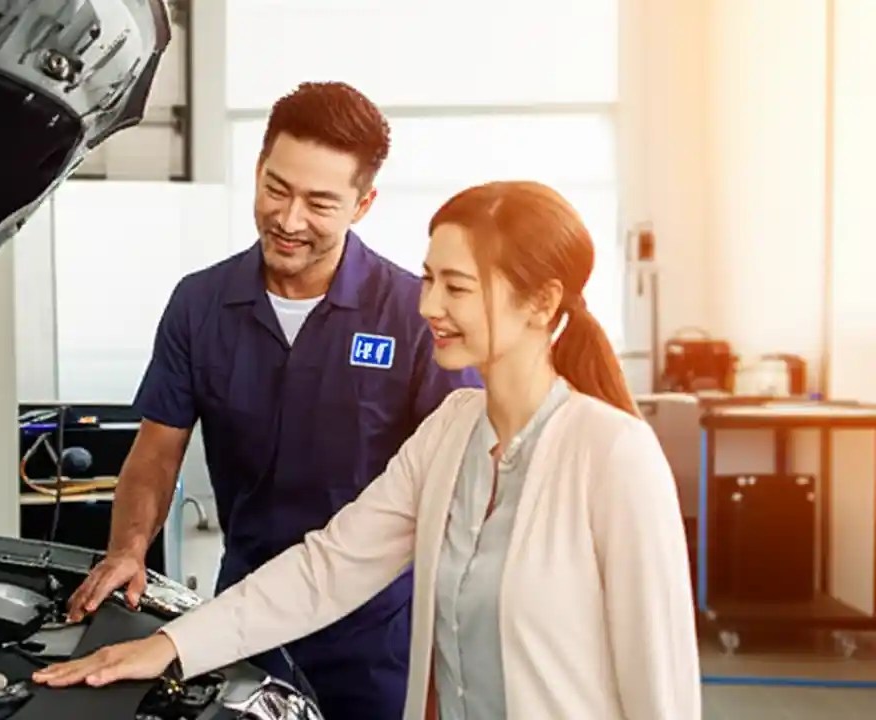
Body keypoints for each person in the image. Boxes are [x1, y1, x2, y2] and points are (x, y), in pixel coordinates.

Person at [34, 180, 703, 720]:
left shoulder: (612, 455)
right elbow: (329, 568)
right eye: (428, 278)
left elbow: (660, 689)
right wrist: (171, 647)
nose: (428, 305)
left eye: (457, 287)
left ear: (540, 302)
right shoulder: (452, 430)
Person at [61, 81, 482, 720]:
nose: (288, 220)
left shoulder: (416, 317)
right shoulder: (199, 305)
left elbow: (461, 492)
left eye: (319, 203)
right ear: (257, 170)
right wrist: (128, 548)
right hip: (243, 616)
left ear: (363, 204)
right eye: (276, 189)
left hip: (373, 634)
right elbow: (156, 452)